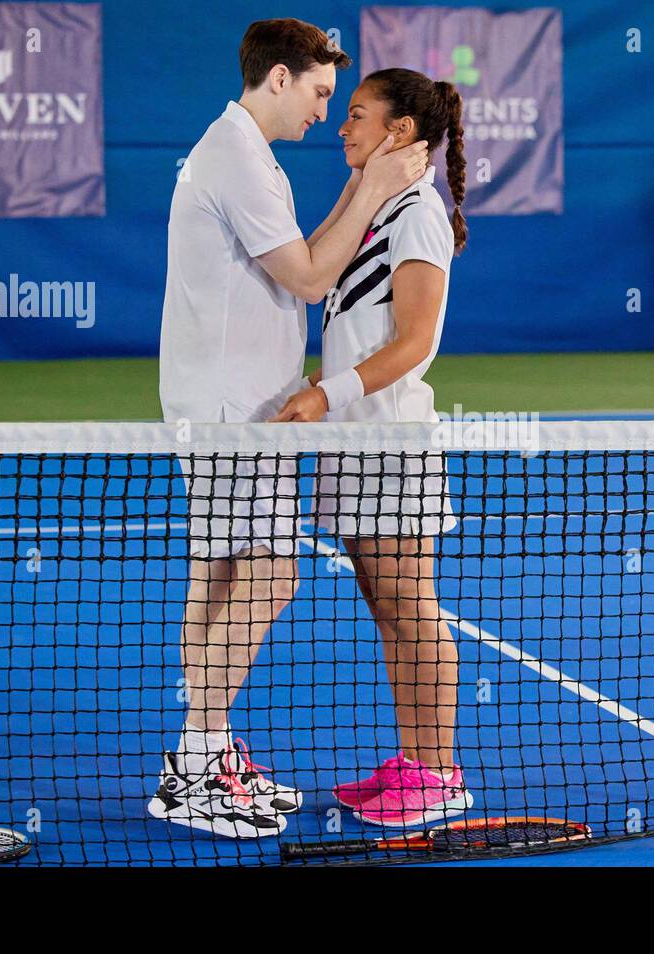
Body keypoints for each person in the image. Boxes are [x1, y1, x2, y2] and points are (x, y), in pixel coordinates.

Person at [150, 18, 429, 839]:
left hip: (230, 409)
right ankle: (201, 760)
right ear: (279, 77)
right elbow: (311, 278)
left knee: (218, 579)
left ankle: (199, 756)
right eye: (317, 93)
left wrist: (364, 185)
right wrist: (376, 187)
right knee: (269, 578)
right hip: (241, 416)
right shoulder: (236, 156)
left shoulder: (242, 153)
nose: (324, 112)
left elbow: (306, 251)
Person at [274, 68, 470, 829]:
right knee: (388, 609)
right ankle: (414, 760)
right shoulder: (378, 204)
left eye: (356, 116)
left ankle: (440, 772)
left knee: (411, 609)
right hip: (355, 441)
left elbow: (415, 342)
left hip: (389, 443)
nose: (340, 126)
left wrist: (327, 394)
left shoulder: (418, 213)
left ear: (400, 132)